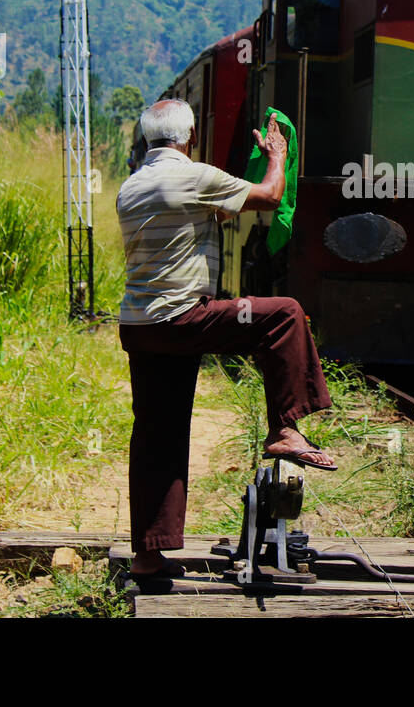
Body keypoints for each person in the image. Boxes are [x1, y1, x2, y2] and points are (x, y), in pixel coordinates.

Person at [116, 99, 335, 580]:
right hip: (182, 319)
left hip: (140, 326)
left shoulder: (132, 187)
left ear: (147, 139)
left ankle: (149, 555)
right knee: (284, 315)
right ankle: (285, 429)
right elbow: (271, 197)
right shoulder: (193, 175)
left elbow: (205, 217)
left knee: (157, 434)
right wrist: (275, 155)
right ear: (190, 136)